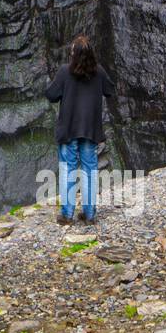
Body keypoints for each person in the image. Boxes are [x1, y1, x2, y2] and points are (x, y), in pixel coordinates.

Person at [46, 34, 115, 225]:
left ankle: (67, 215)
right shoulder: (99, 72)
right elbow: (110, 90)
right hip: (91, 130)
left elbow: (51, 95)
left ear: (74, 54)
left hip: (69, 129)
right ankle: (89, 214)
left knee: (68, 170)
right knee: (89, 171)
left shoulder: (64, 72)